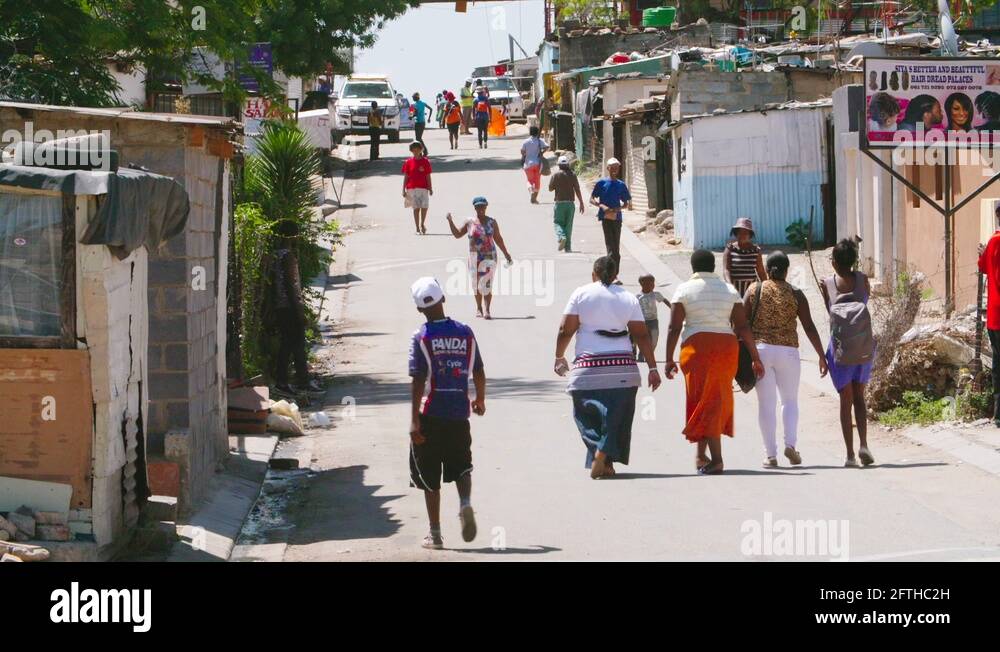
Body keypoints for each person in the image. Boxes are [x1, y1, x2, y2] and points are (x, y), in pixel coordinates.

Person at [555, 256, 661, 479]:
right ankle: (606, 461)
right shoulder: (628, 297)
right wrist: (652, 368)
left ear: (594, 273)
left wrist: (559, 356)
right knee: (617, 417)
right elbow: (641, 335)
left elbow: (566, 329)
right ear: (615, 275)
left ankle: (599, 449)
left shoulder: (581, 293)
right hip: (624, 368)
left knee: (585, 412)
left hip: (588, 368)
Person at [664, 249, 764, 475]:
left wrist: (669, 358)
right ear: (713, 267)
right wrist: (755, 358)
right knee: (712, 398)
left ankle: (717, 460)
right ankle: (701, 456)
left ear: (693, 267)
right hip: (726, 349)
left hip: (697, 348)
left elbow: (674, 327)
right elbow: (742, 327)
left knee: (702, 398)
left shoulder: (683, 289)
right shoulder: (729, 291)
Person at [408, 277, 485, 550]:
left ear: (419, 309)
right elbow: (478, 371)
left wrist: (414, 420)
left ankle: (435, 534)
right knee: (461, 464)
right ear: (443, 299)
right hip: (458, 413)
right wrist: (480, 401)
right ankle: (464, 503)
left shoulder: (421, 337)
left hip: (430, 414)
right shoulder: (465, 332)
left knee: (430, 476)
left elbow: (418, 380)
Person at [744, 251, 828, 467]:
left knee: (766, 404)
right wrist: (821, 355)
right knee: (790, 401)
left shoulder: (755, 290)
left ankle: (770, 456)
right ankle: (790, 445)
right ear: (786, 270)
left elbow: (741, 324)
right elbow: (808, 326)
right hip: (788, 352)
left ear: (768, 268)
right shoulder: (795, 293)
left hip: (761, 352)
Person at [820, 239, 876, 468]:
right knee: (860, 397)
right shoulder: (863, 280)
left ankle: (850, 455)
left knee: (846, 400)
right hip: (863, 347)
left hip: (840, 349)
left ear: (833, 261)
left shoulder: (827, 284)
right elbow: (865, 300)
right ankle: (864, 444)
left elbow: (829, 311)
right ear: (854, 260)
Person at [272, 220, 323, 395]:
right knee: (295, 344)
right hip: (289, 307)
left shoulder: (277, 254)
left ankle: (290, 380)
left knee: (290, 344)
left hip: (281, 305)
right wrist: (299, 311)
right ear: (293, 236)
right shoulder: (287, 256)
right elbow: (290, 285)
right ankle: (298, 381)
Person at [446, 196, 513, 320]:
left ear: (486, 207)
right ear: (475, 208)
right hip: (474, 258)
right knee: (476, 285)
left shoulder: (492, 222)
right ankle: (479, 307)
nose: (481, 209)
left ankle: (487, 310)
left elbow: (498, 239)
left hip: (489, 256)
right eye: (478, 207)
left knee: (487, 284)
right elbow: (457, 234)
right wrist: (450, 221)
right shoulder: (469, 222)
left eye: (483, 206)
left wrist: (506, 254)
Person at [590, 158, 632, 282]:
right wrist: (601, 206)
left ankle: (614, 274)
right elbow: (591, 199)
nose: (614, 170)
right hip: (605, 218)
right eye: (612, 167)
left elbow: (626, 203)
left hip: (617, 218)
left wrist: (617, 209)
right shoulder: (601, 183)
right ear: (607, 168)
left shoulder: (621, 184)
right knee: (610, 247)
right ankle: (611, 275)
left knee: (616, 249)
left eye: (617, 167)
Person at [978, 205, 1000, 426]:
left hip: (995, 314)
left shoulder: (993, 241)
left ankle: (998, 413)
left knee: (998, 362)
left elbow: (982, 265)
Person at [548, 155, 585, 252]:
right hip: (570, 204)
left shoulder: (556, 175)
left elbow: (550, 188)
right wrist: (581, 202)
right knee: (568, 226)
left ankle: (561, 236)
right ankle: (568, 247)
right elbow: (577, 189)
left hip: (559, 203)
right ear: (567, 165)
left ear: (559, 165)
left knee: (557, 223)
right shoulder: (572, 175)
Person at [724, 217, 766, 297]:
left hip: (752, 291)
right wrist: (730, 286)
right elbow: (726, 270)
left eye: (745, 232)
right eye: (739, 232)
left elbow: (761, 272)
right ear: (736, 233)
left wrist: (767, 287)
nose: (742, 235)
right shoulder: (730, 249)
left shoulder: (756, 250)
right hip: (735, 291)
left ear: (750, 234)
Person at [634, 274, 670, 363]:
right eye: (649, 283)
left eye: (653, 283)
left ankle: (648, 353)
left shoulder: (655, 294)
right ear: (642, 284)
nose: (652, 285)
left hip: (653, 321)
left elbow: (664, 300)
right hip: (642, 321)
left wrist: (673, 308)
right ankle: (642, 355)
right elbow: (633, 308)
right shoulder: (638, 296)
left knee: (654, 339)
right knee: (643, 339)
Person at [402, 141, 433, 235]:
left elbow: (428, 175)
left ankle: (422, 223)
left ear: (421, 150)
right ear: (411, 151)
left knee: (424, 207)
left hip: (423, 188)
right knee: (416, 208)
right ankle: (417, 228)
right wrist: (403, 189)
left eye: (417, 149)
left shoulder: (425, 161)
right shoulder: (408, 162)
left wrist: (430, 188)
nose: (416, 151)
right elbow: (406, 176)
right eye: (413, 150)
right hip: (412, 188)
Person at [520, 126, 549, 204]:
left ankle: (531, 191)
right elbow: (547, 146)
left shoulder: (526, 141)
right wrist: (541, 152)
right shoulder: (539, 141)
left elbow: (522, 151)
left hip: (528, 165)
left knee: (529, 180)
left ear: (530, 132)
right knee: (537, 181)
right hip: (538, 164)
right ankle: (534, 199)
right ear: (537, 132)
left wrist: (525, 155)